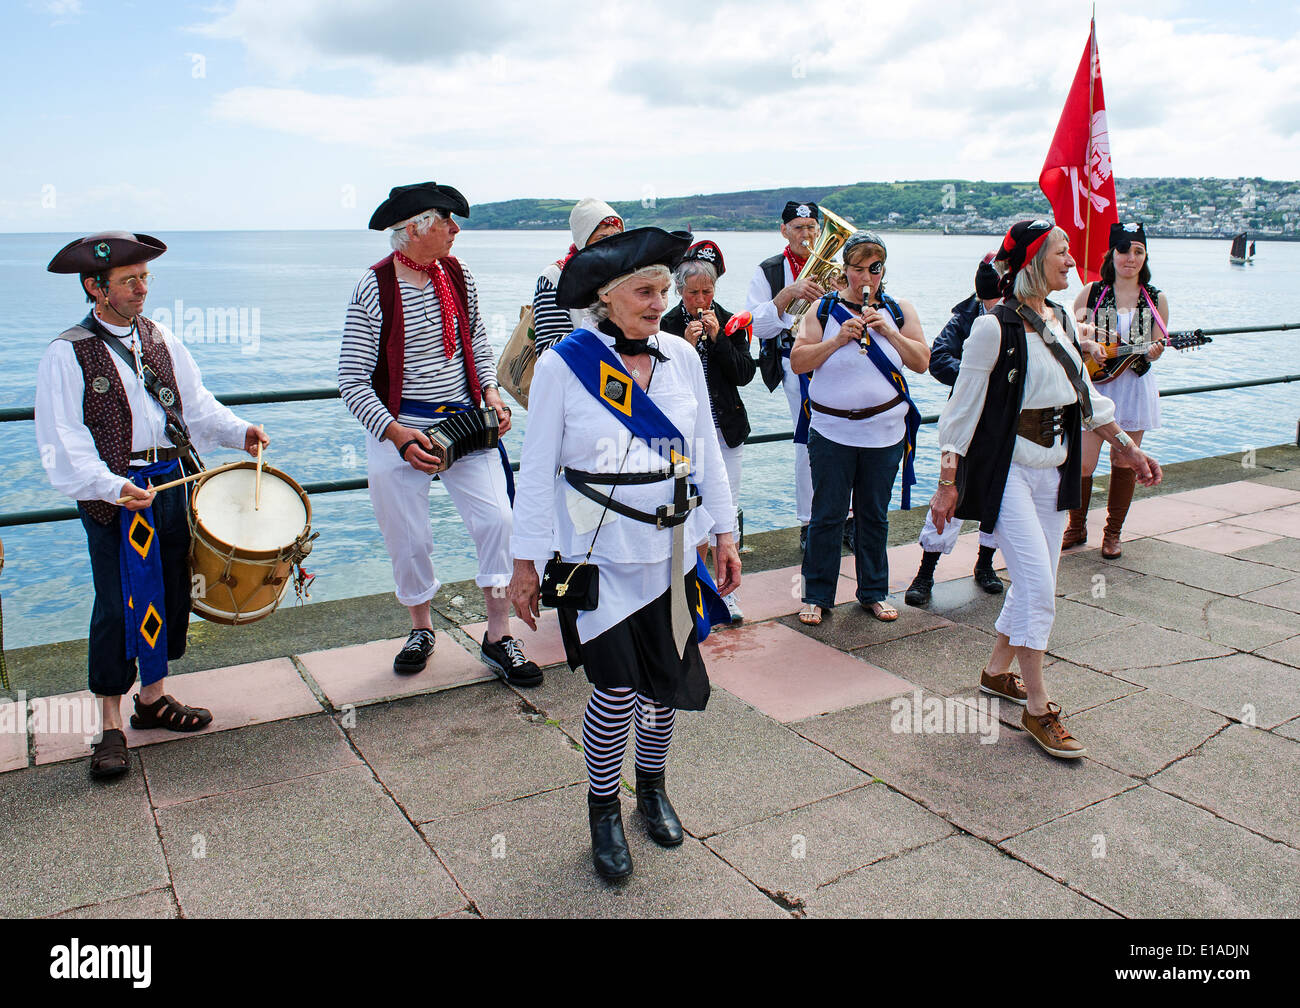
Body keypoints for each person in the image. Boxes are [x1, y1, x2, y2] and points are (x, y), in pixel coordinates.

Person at [508, 227, 740, 882]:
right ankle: (603, 810)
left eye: (664, 290)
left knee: (663, 694)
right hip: (598, 559)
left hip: (671, 555)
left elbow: (706, 455)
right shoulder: (563, 365)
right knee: (614, 691)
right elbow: (535, 471)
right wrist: (524, 564)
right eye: (646, 290)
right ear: (607, 298)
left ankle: (653, 789)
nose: (659, 301)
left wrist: (723, 533)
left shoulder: (681, 357)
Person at [36, 231, 269, 779]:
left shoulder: (160, 337)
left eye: (145, 278)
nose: (142, 289)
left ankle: (153, 702)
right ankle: (110, 727)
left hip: (170, 486)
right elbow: (62, 437)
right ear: (96, 288)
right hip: (115, 497)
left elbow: (194, 406)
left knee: (168, 592)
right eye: (129, 281)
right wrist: (109, 484)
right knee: (118, 604)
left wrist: (241, 433)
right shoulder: (66, 353)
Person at [930, 220, 1161, 759]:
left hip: (1052, 472)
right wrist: (946, 486)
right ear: (1035, 260)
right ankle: (1038, 708)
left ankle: (994, 674)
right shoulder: (993, 328)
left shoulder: (1058, 319)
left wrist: (1127, 446)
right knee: (1039, 588)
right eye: (1060, 252)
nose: (1069, 261)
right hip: (1009, 473)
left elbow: (1088, 398)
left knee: (1038, 580)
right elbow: (958, 415)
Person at [338, 182, 541, 686]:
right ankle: (422, 628)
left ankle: (497, 635)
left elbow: (475, 337)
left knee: (499, 520)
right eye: (446, 220)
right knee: (407, 536)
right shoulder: (375, 286)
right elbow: (351, 380)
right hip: (400, 425)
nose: (455, 230)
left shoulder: (458, 273)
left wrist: (491, 392)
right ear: (413, 229)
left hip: (465, 422)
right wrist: (399, 435)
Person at [789, 231, 929, 626]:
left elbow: (921, 362)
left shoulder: (899, 310)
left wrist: (889, 332)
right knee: (827, 514)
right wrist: (836, 341)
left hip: (884, 432)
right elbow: (799, 362)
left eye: (875, 269)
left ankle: (874, 592)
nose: (867, 277)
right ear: (845, 271)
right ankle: (816, 595)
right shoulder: (821, 309)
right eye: (858, 269)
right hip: (832, 431)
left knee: (873, 515)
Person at [660, 239, 754, 623]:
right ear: (680, 290)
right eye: (694, 291)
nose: (701, 299)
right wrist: (684, 345)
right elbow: (660, 382)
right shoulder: (664, 325)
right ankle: (692, 588)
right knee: (688, 509)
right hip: (683, 435)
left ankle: (726, 591)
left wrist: (718, 341)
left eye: (708, 291)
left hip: (725, 428)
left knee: (725, 506)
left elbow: (744, 374)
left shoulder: (731, 321)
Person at [1064, 222, 1169, 559]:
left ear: (1145, 256)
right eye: (1124, 250)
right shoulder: (1093, 293)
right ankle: (1076, 526)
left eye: (1138, 251)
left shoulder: (1155, 298)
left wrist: (1155, 350)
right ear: (1112, 253)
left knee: (1124, 461)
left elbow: (1158, 341)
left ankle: (1112, 534)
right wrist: (1088, 342)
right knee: (1082, 463)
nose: (1130, 258)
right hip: (1095, 388)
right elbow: (1069, 336)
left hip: (1134, 386)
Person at [905, 252, 1005, 606]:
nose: (996, 305)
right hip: (968, 418)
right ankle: (925, 572)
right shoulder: (964, 316)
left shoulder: (1033, 314)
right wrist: (978, 374)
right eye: (990, 299)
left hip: (1008, 424)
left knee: (999, 495)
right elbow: (938, 358)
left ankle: (985, 565)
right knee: (950, 493)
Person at [745, 200, 825, 550]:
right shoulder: (770, 270)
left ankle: (847, 517)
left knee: (847, 436)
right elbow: (755, 326)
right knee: (808, 442)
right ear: (784, 231)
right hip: (794, 363)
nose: (806, 235)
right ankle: (809, 522)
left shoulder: (834, 265)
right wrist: (785, 296)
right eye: (798, 228)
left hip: (834, 358)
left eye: (812, 228)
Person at [533, 198, 624, 354]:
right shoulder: (555, 278)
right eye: (602, 238)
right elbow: (548, 348)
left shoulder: (626, 276)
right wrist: (602, 332)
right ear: (583, 240)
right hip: (575, 374)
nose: (612, 244)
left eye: (617, 236)